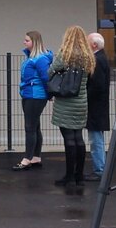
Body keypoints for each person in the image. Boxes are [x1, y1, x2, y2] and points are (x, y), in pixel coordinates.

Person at [47, 26, 94, 191]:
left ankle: (69, 176)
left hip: (65, 101)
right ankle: (79, 175)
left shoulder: (64, 55)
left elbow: (51, 71)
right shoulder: (88, 57)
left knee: (68, 138)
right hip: (81, 101)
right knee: (78, 137)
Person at [16, 29, 51, 170]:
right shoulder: (33, 57)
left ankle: (27, 158)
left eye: (27, 40)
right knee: (35, 126)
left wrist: (49, 94)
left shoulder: (40, 59)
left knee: (30, 127)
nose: (24, 42)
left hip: (35, 95)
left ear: (34, 42)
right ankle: (35, 157)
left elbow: (45, 78)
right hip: (30, 94)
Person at [86, 31, 112, 181]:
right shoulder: (101, 58)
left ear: (94, 45)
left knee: (96, 139)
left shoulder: (97, 60)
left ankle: (100, 170)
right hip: (99, 105)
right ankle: (100, 168)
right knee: (97, 138)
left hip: (96, 106)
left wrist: (85, 97)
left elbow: (97, 86)